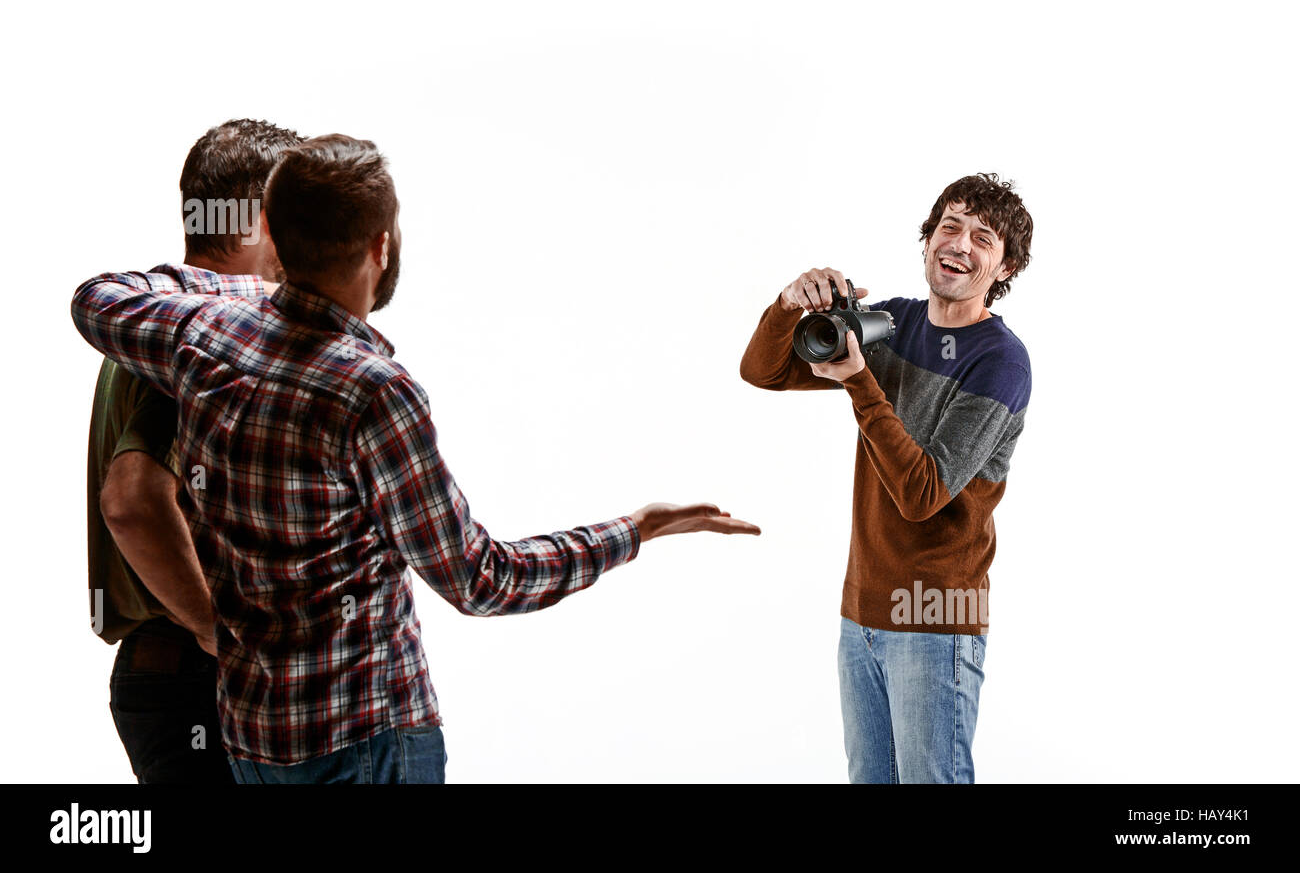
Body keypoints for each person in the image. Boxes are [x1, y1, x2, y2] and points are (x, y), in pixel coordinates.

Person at [72, 133, 759, 783]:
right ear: (381, 245)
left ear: (275, 239)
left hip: (256, 736)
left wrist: (263, 302)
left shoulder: (208, 336)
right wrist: (635, 529)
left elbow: (95, 298)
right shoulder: (373, 394)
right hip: (365, 739)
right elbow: (483, 579)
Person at [739, 172, 1033, 783]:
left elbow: (922, 494)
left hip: (935, 618)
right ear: (927, 241)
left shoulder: (1000, 361)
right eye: (949, 226)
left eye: (984, 238)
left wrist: (857, 381)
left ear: (1005, 270)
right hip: (861, 614)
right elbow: (760, 372)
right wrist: (789, 304)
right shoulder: (892, 324)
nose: (960, 243)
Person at [87, 118, 303, 783]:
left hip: (172, 675)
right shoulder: (208, 334)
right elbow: (130, 500)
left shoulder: (156, 325)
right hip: (196, 679)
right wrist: (219, 634)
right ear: (266, 220)